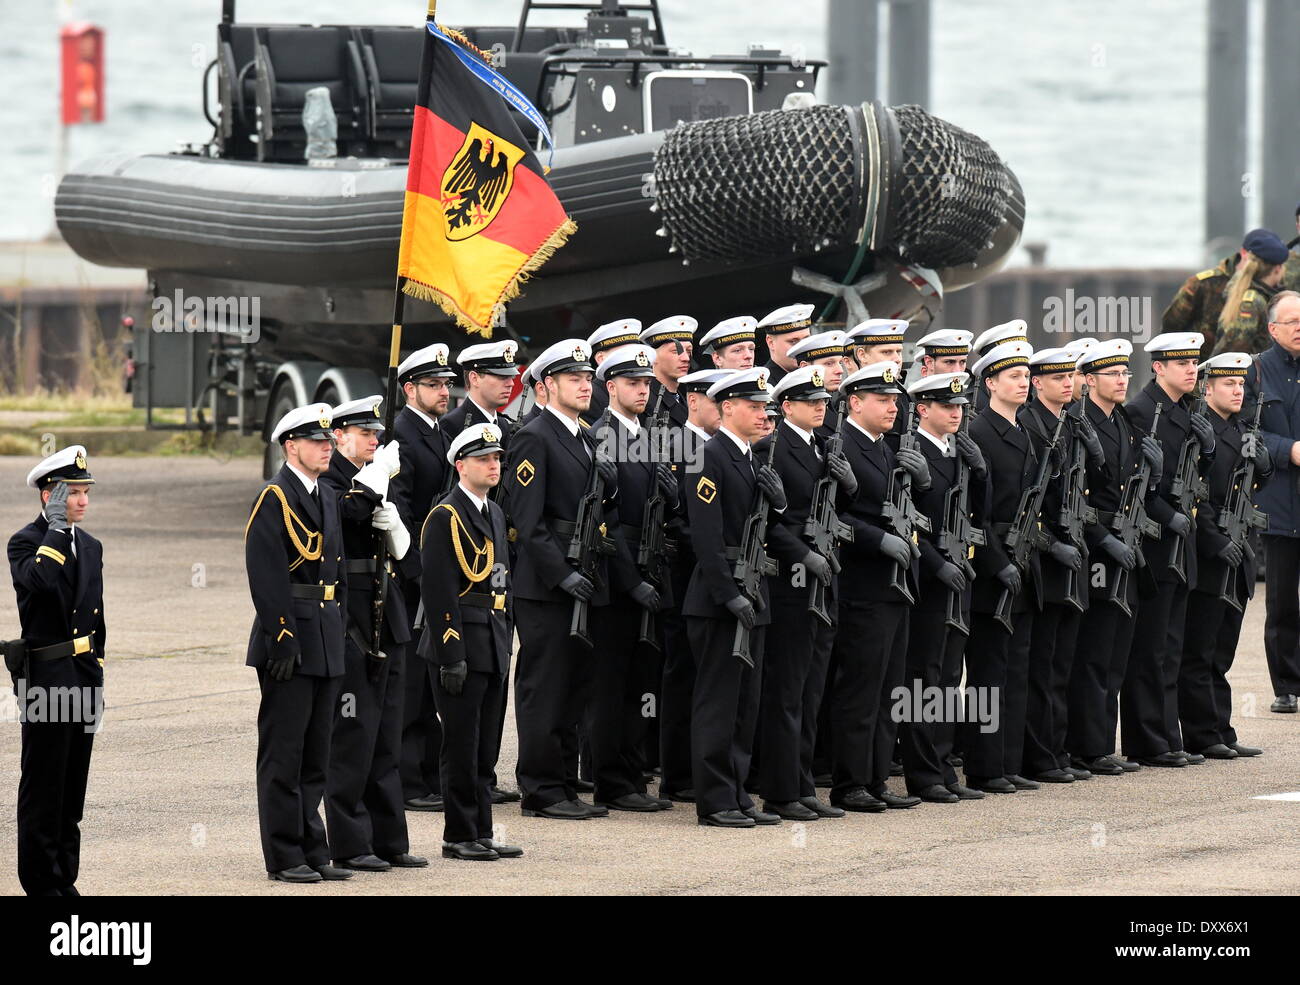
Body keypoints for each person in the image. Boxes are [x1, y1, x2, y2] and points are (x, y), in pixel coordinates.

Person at [506, 339, 624, 819]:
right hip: (547, 585)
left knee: (576, 686)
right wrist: (561, 574)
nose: (583, 386)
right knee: (546, 686)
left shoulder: (583, 436)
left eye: (586, 378)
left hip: (585, 574)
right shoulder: (535, 436)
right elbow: (526, 522)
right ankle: (540, 788)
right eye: (573, 379)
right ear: (547, 385)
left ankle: (564, 782)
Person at [244, 403, 349, 883]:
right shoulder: (274, 497)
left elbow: (337, 574)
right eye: (316, 442)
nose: (327, 448)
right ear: (291, 446)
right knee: (284, 754)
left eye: (329, 441)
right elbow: (266, 577)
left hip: (325, 635)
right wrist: (281, 639)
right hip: (292, 638)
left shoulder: (327, 495)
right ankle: (284, 854)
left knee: (315, 753)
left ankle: (312, 845)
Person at [320, 397, 425, 872]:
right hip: (353, 621)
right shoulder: (330, 481)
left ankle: (389, 839)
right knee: (352, 737)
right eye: (364, 434)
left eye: (375, 434)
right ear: (338, 436)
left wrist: (398, 530)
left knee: (387, 736)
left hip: (389, 612)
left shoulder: (379, 476)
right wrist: (375, 478)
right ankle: (350, 842)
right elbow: (346, 516)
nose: (374, 441)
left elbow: (408, 560)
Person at [684, 367, 785, 827]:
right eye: (754, 406)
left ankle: (739, 793)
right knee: (719, 702)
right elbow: (705, 540)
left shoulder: (749, 458)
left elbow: (764, 529)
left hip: (753, 590)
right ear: (727, 408)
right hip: (719, 598)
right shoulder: (710, 456)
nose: (763, 414)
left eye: (764, 406)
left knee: (746, 704)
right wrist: (728, 595)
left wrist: (779, 503)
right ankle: (716, 800)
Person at [420, 423, 523, 861]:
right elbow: (439, 589)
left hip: (493, 638)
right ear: (461, 465)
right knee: (461, 744)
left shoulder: (493, 513)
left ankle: (482, 829)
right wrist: (451, 652)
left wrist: (507, 630)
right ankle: (457, 834)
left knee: (485, 748)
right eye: (484, 459)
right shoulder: (445, 515)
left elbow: (500, 578)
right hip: (460, 642)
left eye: (497, 458)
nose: (494, 465)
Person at [829, 361, 928, 811]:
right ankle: (850, 782)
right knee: (860, 689)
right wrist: (878, 539)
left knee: (891, 688)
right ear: (855, 402)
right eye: (883, 400)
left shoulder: (889, 449)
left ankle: (876, 777)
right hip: (862, 582)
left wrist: (921, 482)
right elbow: (834, 516)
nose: (893, 408)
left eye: (894, 401)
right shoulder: (841, 446)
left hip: (895, 584)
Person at [754, 366, 849, 820]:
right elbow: (769, 521)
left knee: (812, 691)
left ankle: (803, 783)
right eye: (810, 401)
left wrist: (845, 483)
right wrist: (801, 554)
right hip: (791, 584)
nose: (820, 407)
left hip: (823, 580)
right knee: (787, 692)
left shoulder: (820, 447)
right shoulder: (772, 448)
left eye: (823, 402)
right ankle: (780, 790)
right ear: (786, 406)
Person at [8, 445, 104, 896]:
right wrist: (57, 529)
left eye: (86, 491)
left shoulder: (91, 545)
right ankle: (41, 883)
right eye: (73, 492)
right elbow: (40, 582)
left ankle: (65, 878)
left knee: (72, 790)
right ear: (49, 495)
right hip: (46, 680)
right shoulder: (26, 542)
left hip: (82, 677)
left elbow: (96, 618)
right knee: (44, 788)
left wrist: (97, 672)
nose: (83, 501)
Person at [1121, 333, 1216, 768]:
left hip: (1184, 544)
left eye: (1194, 363)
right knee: (1151, 648)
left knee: (1172, 647)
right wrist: (1166, 516)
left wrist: (1210, 448)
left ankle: (1168, 736)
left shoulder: (1186, 411)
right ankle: (1147, 740)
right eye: (1182, 363)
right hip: (1158, 546)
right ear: (1158, 367)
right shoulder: (1141, 412)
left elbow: (1195, 477)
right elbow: (1138, 486)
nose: (1191, 370)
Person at [1066, 340, 1160, 776]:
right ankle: (1087, 745)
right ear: (1088, 380)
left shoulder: (1122, 420)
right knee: (1095, 651)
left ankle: (1103, 740)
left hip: (1127, 540)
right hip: (1098, 546)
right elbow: (1075, 499)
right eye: (1112, 374)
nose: (1122, 380)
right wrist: (1104, 539)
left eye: (1125, 373)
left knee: (1116, 651)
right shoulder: (1081, 423)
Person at [589, 344, 673, 811]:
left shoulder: (645, 437)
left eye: (646, 383)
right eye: (633, 383)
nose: (642, 390)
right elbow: (606, 520)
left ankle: (634, 774)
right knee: (613, 684)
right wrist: (630, 580)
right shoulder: (602, 436)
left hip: (651, 568)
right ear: (611, 387)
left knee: (643, 684)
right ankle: (612, 781)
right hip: (618, 579)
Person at [898, 374, 989, 803]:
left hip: (960, 575)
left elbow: (976, 516)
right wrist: (936, 567)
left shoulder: (959, 453)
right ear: (922, 409)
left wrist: (982, 474)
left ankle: (944, 766)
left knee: (951, 676)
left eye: (960, 407)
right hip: (931, 582)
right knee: (923, 678)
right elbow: (908, 521)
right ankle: (923, 772)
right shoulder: (910, 453)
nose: (957, 413)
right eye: (947, 406)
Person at [1180, 352, 1270, 757]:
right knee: (1200, 649)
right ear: (1207, 387)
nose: (1237, 391)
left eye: (1240, 385)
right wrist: (1217, 540)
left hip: (1240, 548)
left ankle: (1221, 729)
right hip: (1211, 550)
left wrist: (1264, 462)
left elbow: (1252, 485)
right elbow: (1195, 494)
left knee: (1223, 649)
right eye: (1228, 385)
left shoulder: (1243, 428)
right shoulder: (1201, 430)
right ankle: (1202, 733)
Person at [1018, 348, 1101, 784]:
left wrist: (1097, 453)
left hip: (1074, 553)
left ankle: (1059, 747)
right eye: (1057, 377)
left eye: (1070, 375)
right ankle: (1040, 754)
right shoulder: (1032, 425)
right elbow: (1028, 505)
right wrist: (1052, 547)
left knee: (1062, 663)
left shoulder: (1069, 424)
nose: (1067, 383)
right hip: (1046, 559)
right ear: (1038, 384)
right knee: (1042, 664)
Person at [963, 340, 1039, 795]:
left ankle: (1009, 761)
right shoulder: (980, 433)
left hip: (1023, 559)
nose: (1023, 383)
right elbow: (975, 514)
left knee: (1016, 667)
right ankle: (985, 765)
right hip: (994, 566)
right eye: (1014, 376)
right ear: (990, 382)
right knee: (989, 669)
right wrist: (995, 561)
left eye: (1026, 376)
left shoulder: (1024, 429)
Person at [389, 343, 459, 813]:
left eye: (446, 384)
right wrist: (416, 573)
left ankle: (429, 773)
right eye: (433, 385)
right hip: (413, 576)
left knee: (430, 677)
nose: (443, 392)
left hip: (437, 573)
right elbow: (401, 510)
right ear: (409, 389)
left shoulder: (437, 431)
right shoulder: (401, 436)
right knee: (413, 685)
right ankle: (410, 780)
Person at [657, 368, 729, 803]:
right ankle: (678, 773)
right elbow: (678, 520)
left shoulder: (714, 447)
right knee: (681, 674)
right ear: (693, 401)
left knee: (703, 676)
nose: (719, 409)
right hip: (684, 575)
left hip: (705, 573)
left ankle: (693, 768)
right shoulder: (678, 445)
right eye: (713, 400)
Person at [1244, 290, 1300, 712]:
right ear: (1273, 328)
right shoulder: (1257, 372)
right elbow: (1246, 432)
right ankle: (1286, 686)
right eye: (1292, 322)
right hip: (1279, 500)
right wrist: (1289, 450)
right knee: (1281, 602)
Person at [1162, 228, 1287, 358]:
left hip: (1237, 371)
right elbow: (1170, 327)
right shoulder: (1205, 284)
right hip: (1200, 368)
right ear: (1243, 253)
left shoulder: (1271, 290)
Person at [441, 341, 521, 448]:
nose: (511, 383)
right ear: (474, 378)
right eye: (501, 376)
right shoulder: (451, 425)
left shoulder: (505, 425)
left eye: (511, 377)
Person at [581, 319, 643, 425]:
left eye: (635, 353)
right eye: (623, 354)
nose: (632, 359)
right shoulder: (590, 397)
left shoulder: (643, 389)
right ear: (601, 358)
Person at [640, 315, 696, 429]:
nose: (686, 358)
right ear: (653, 357)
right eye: (676, 351)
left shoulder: (683, 400)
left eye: (689, 351)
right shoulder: (644, 402)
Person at [757, 303, 814, 386]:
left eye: (806, 339)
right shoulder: (764, 386)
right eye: (793, 342)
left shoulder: (815, 378)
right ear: (771, 343)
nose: (802, 347)